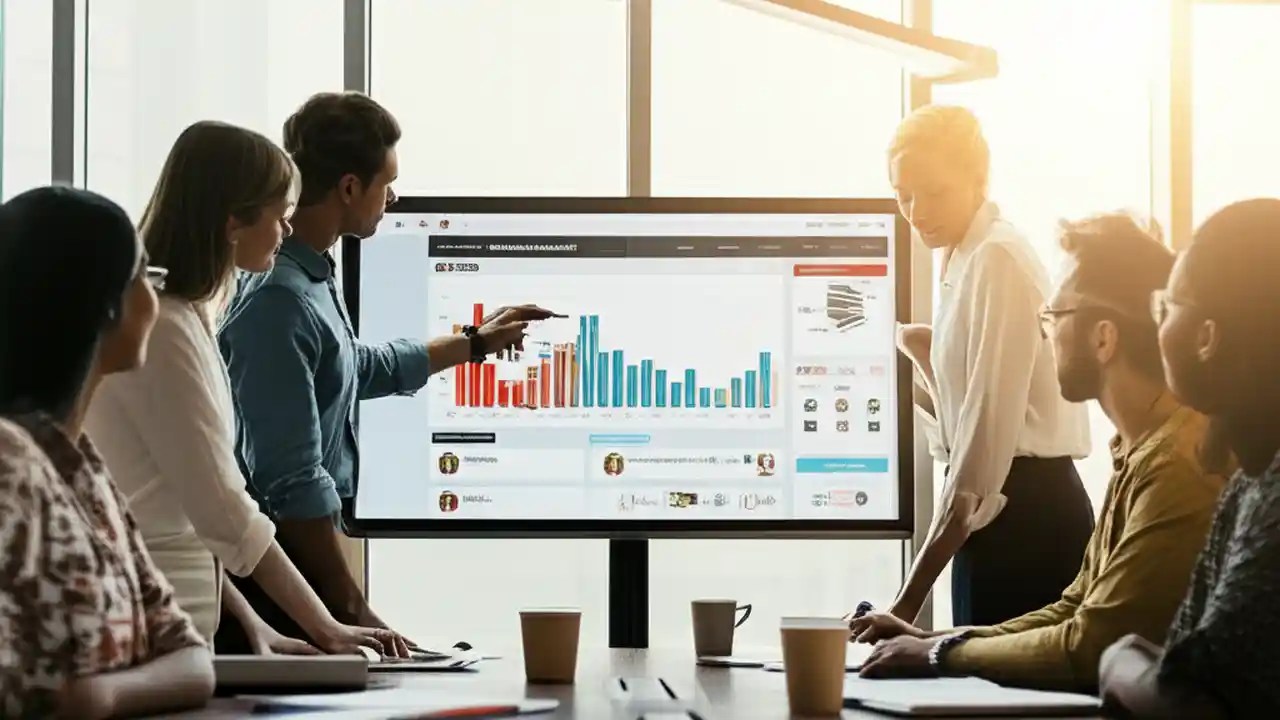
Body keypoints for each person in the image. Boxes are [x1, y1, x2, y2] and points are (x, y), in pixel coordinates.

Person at [217, 91, 561, 649]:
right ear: (350, 187)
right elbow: (292, 484)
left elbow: (355, 366)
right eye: (387, 182)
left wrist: (474, 343)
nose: (393, 197)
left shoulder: (310, 276)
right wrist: (353, 609)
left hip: (299, 566)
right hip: (276, 584)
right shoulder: (279, 300)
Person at [850, 213, 1227, 692]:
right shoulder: (1139, 449)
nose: (1044, 332)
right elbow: (1073, 608)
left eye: (1054, 315)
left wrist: (939, 651)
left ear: (1103, 338)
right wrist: (931, 639)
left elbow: (1091, 642)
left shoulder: (1177, 463)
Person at [84, 121, 405, 657]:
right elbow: (224, 510)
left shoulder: (186, 317)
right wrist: (326, 625)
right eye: (279, 216)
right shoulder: (164, 329)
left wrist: (257, 626)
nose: (286, 230)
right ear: (233, 218)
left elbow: (194, 510)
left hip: (182, 624)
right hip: (157, 635)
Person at [853, 105, 1093, 628]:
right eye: (903, 193)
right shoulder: (964, 253)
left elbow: (977, 462)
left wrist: (905, 605)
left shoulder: (996, 258)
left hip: (1026, 519)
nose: (916, 211)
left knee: (997, 702)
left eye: (934, 192)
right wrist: (923, 351)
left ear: (978, 180)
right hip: (996, 520)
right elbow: (975, 415)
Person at [0, 186, 214, 718]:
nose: (155, 294)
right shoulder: (9, 463)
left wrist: (105, 694)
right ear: (104, 301)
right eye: (145, 275)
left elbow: (191, 658)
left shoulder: (86, 469)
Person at [1101, 198, 1280, 718]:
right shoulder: (1249, 481)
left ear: (1207, 336)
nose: (1157, 328)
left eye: (1166, 307)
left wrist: (1119, 658)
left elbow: (1191, 697)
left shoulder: (1268, 490)